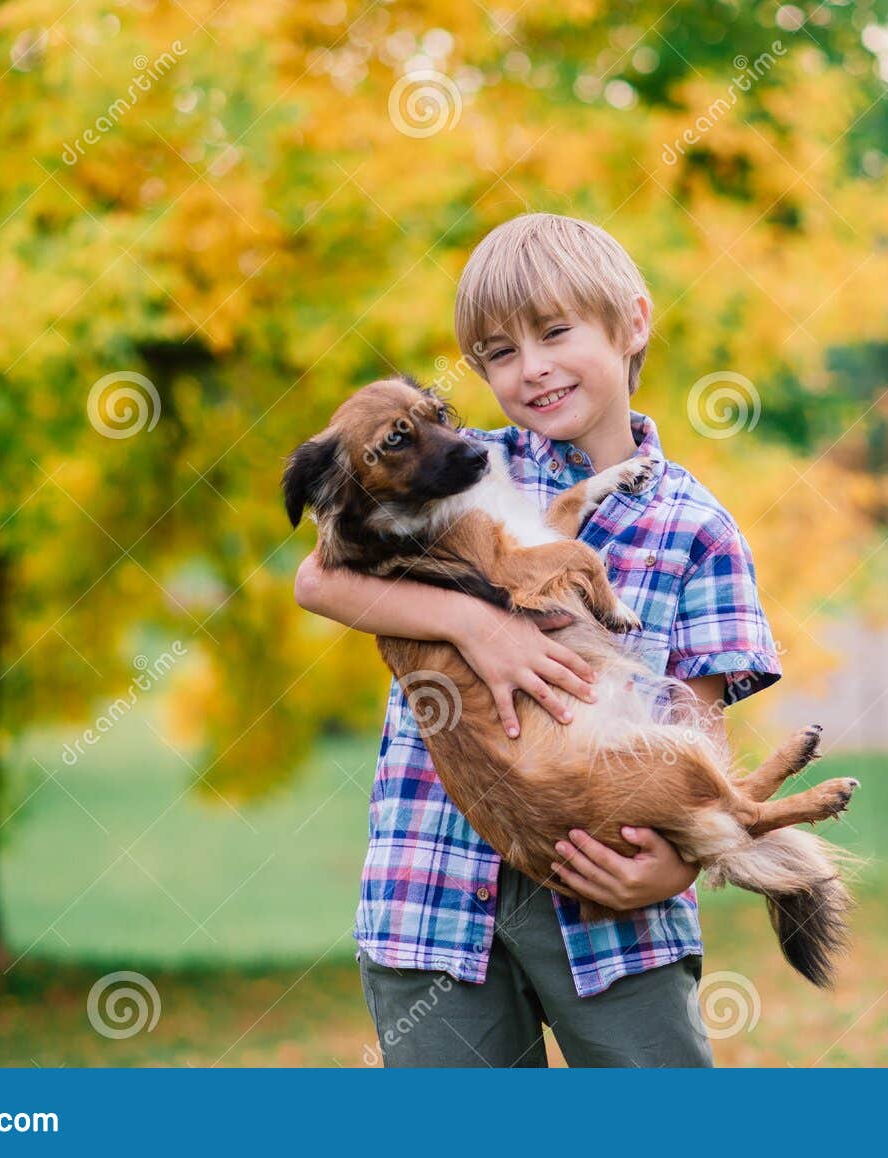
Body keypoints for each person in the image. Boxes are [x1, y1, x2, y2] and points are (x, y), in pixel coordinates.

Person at [295, 212, 782, 1066]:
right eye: (499, 353)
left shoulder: (698, 529)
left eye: (555, 333)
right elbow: (317, 580)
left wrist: (677, 866)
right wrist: (472, 622)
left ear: (632, 322)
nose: (532, 369)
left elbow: (695, 724)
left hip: (611, 896)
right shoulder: (455, 467)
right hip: (432, 889)